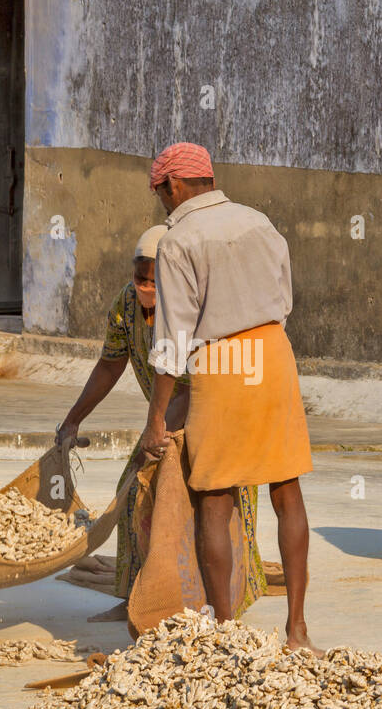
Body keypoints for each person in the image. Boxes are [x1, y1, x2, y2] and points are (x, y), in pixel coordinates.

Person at [137, 142, 319, 654]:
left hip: (218, 361)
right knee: (287, 491)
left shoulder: (178, 241)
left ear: (173, 185)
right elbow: (285, 300)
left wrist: (156, 421)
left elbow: (172, 341)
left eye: (160, 194)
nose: (162, 204)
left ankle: (225, 633)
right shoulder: (260, 222)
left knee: (214, 498)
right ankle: (297, 631)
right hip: (275, 356)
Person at [57, 225, 270, 622]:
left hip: (216, 420)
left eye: (156, 280)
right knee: (134, 497)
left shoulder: (194, 306)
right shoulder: (125, 305)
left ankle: (224, 607)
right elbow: (110, 363)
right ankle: (137, 599)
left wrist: (157, 429)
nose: (147, 287)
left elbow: (201, 382)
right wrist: (73, 418)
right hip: (165, 420)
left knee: (223, 510)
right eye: (141, 278)